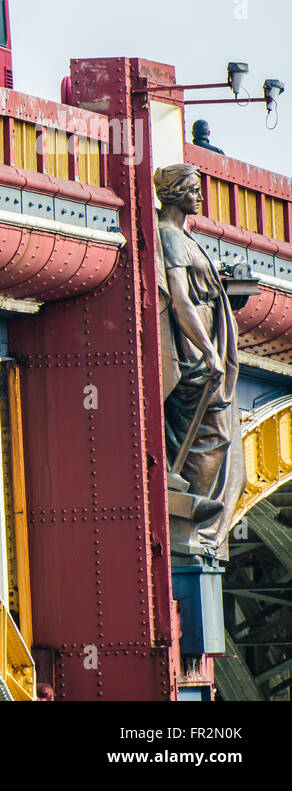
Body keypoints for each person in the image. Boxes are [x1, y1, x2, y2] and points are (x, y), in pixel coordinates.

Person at [154, 163, 245, 554]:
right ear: (175, 194)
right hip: (194, 349)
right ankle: (187, 511)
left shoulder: (185, 237)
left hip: (205, 340)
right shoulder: (169, 236)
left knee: (215, 433)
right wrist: (209, 351)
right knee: (212, 433)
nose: (201, 196)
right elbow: (179, 298)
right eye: (193, 190)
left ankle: (193, 510)